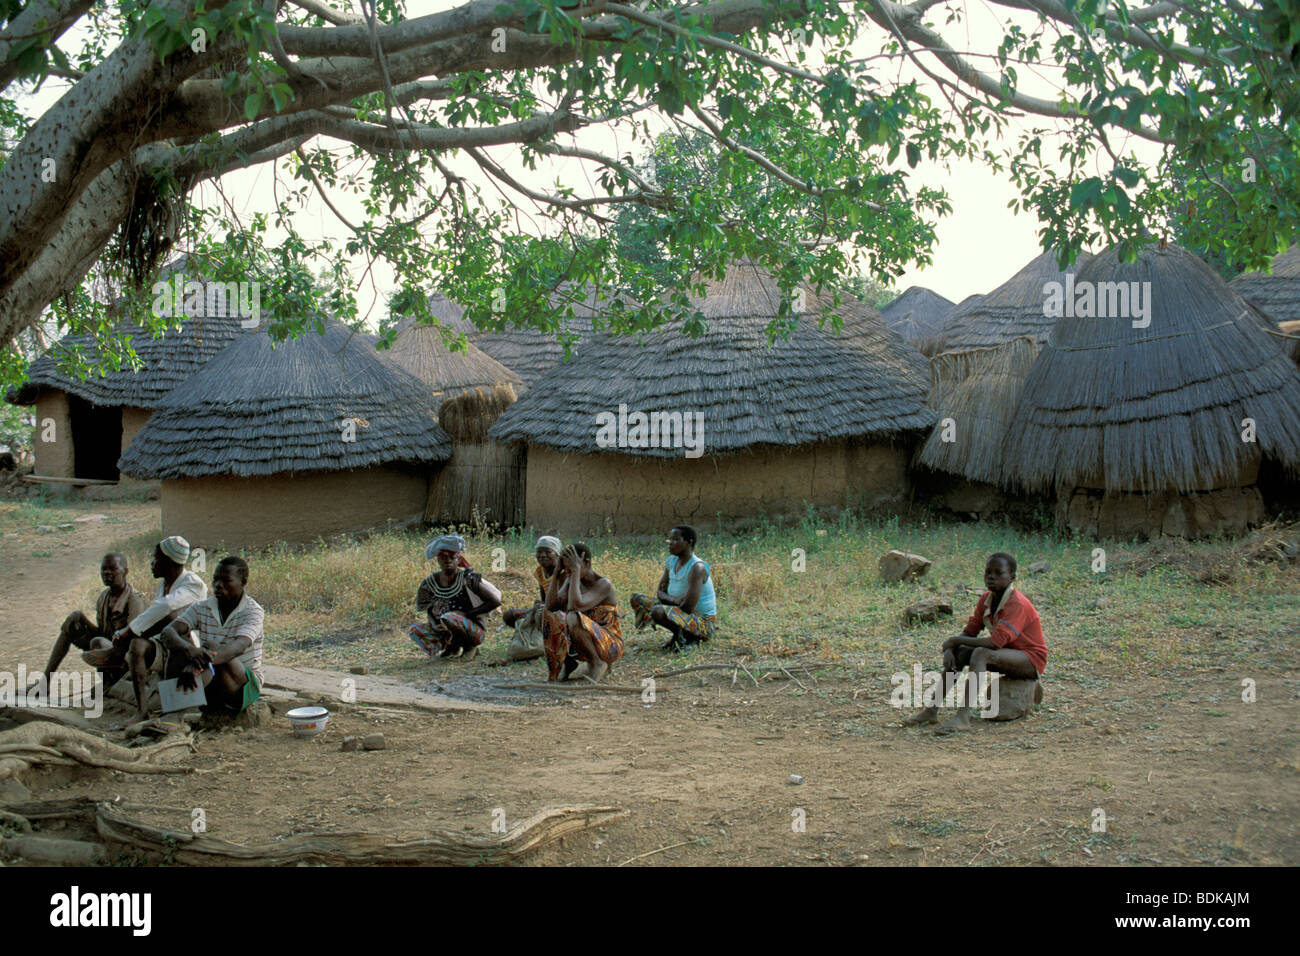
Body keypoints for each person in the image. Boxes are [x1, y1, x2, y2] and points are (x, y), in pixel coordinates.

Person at [903, 552, 1048, 735]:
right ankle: (931, 710)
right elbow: (970, 632)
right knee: (963, 652)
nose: (991, 577)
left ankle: (963, 717)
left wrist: (954, 641)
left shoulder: (1016, 603)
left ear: (1012, 577)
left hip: (1031, 660)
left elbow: (995, 643)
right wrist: (952, 650)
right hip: (1009, 654)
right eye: (988, 572)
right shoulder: (986, 600)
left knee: (981, 653)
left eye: (998, 573)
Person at [85, 537, 207, 720]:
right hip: (166, 644)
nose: (152, 563)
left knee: (171, 617)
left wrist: (128, 631)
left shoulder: (194, 584)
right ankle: (141, 711)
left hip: (187, 649)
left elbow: (166, 607)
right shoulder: (163, 585)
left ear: (169, 562)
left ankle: (118, 651)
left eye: (155, 558)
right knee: (138, 646)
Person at [145, 556, 265, 725]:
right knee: (180, 643)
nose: (218, 585)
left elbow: (237, 647)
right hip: (211, 681)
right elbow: (168, 632)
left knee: (212, 645)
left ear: (243, 582)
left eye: (226, 580)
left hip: (241, 688)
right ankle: (173, 713)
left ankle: (174, 713)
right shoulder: (202, 607)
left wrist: (197, 664)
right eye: (215, 579)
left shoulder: (253, 611)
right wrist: (190, 651)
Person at [36, 553, 148, 690]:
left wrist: (106, 643)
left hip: (126, 659)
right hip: (107, 649)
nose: (107, 573)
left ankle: (111, 682)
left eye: (112, 568)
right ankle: (44, 683)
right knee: (72, 625)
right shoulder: (104, 597)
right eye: (104, 569)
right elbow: (102, 633)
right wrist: (81, 618)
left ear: (125, 571)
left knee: (98, 642)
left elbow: (133, 640)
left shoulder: (134, 600)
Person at [410, 534, 501, 661]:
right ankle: (452, 647)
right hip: (446, 627)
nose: (448, 561)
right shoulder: (430, 583)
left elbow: (495, 601)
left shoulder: (467, 579)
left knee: (449, 617)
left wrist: (468, 614)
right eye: (443, 558)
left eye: (452, 557)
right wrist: (433, 624)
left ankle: (470, 647)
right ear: (438, 560)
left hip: (473, 631)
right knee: (415, 630)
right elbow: (429, 609)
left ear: (458, 560)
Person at [630, 525, 718, 652]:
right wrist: (676, 600)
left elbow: (688, 607)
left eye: (675, 540)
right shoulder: (671, 561)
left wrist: (669, 600)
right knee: (637, 599)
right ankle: (680, 635)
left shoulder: (697, 567)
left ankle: (691, 638)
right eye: (669, 540)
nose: (670, 543)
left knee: (658, 610)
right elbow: (660, 592)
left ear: (689, 542)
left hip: (702, 622)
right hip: (679, 612)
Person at [543, 543, 622, 683]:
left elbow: (575, 606)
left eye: (571, 569)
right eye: (565, 570)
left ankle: (597, 662)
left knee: (572, 617)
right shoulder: (572, 580)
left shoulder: (604, 584)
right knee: (549, 616)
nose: (567, 573)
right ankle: (568, 663)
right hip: (584, 641)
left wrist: (574, 573)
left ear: (585, 563)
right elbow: (550, 606)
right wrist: (556, 574)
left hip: (609, 645)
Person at [501, 536, 562, 628]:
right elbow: (544, 599)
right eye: (539, 552)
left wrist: (544, 607)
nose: (542, 555)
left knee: (541, 616)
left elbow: (565, 603)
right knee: (509, 615)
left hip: (563, 612)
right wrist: (540, 605)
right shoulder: (539, 571)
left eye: (548, 552)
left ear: (557, 554)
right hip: (548, 610)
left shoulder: (564, 573)